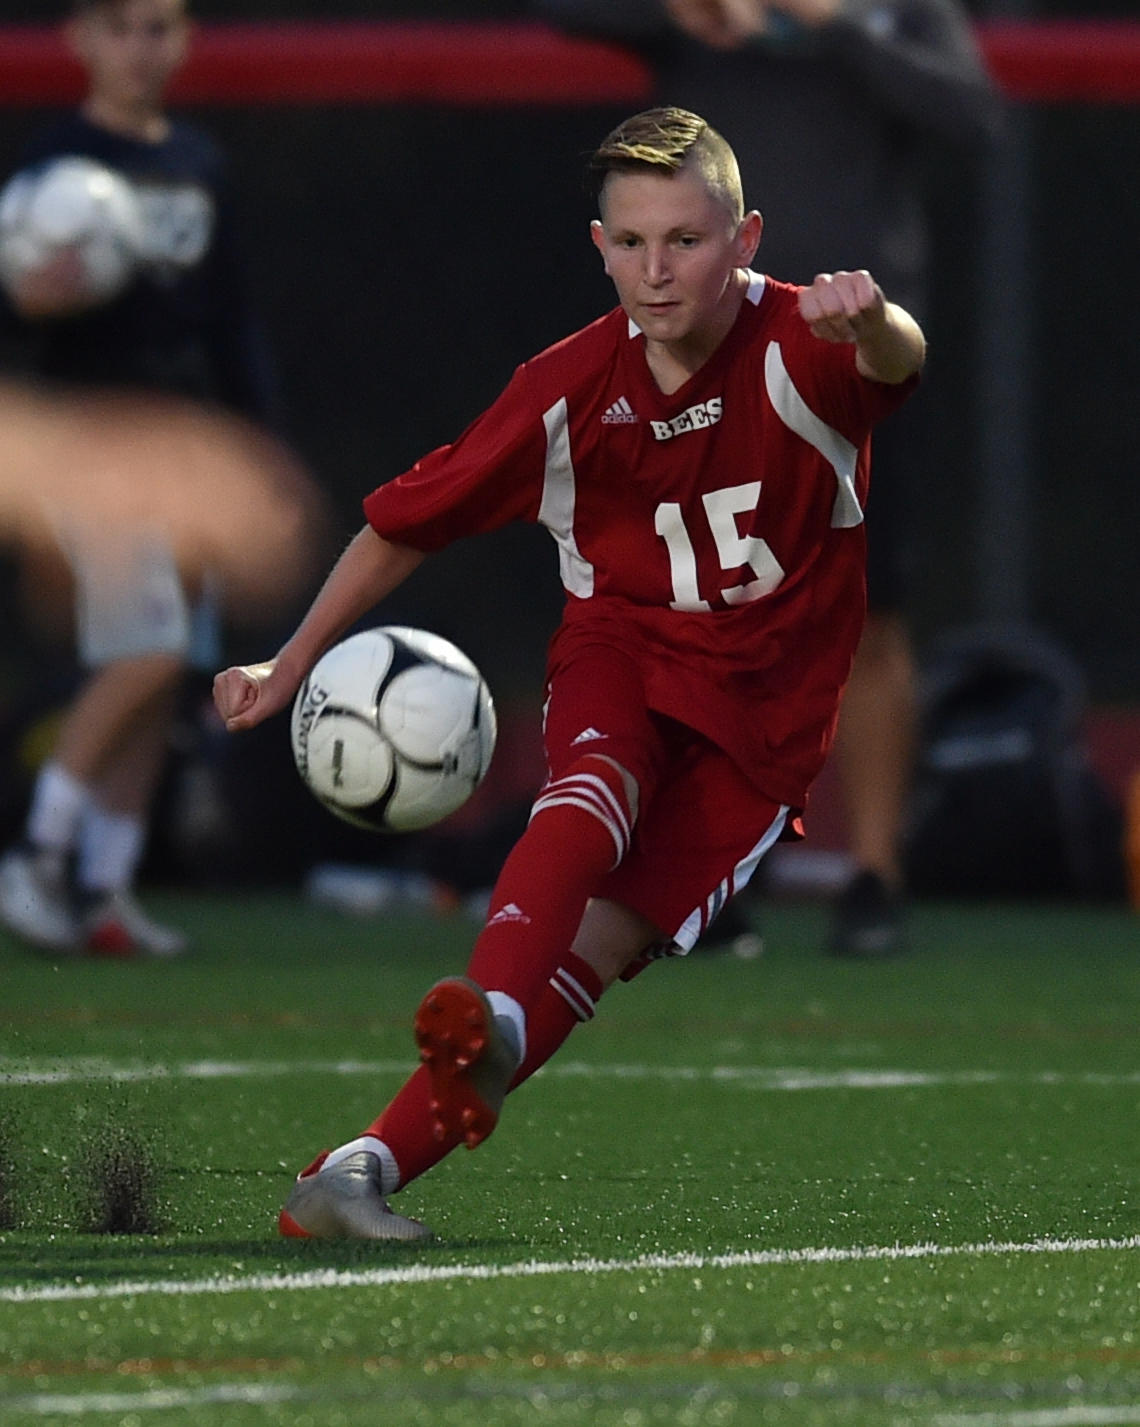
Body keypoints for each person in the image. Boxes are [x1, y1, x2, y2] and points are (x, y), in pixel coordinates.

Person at [214, 107, 925, 1241]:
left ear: (744, 239)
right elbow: (406, 522)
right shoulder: (566, 385)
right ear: (599, 249)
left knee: (589, 954)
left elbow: (901, 360)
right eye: (631, 243)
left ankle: (352, 1171)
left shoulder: (806, 344)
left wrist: (877, 315)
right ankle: (486, 1009)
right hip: (623, 649)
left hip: (763, 722)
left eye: (684, 240)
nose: (656, 270)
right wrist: (289, 657)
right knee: (588, 786)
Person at [537, 0, 995, 956]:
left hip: (848, 357)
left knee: (874, 607)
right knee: (688, 611)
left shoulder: (898, 11)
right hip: (699, 355)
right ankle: (704, 878)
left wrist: (840, 27)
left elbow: (973, 116)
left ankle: (873, 876)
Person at [0, 0, 280, 957]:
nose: (140, 46)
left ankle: (106, 891)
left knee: (167, 676)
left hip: (186, 453)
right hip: (93, 451)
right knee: (147, 652)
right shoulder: (51, 168)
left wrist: (257, 433)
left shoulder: (199, 165)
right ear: (78, 38)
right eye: (119, 26)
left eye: (159, 26)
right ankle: (37, 858)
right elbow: (22, 310)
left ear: (187, 39)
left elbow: (233, 316)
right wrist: (32, 295)